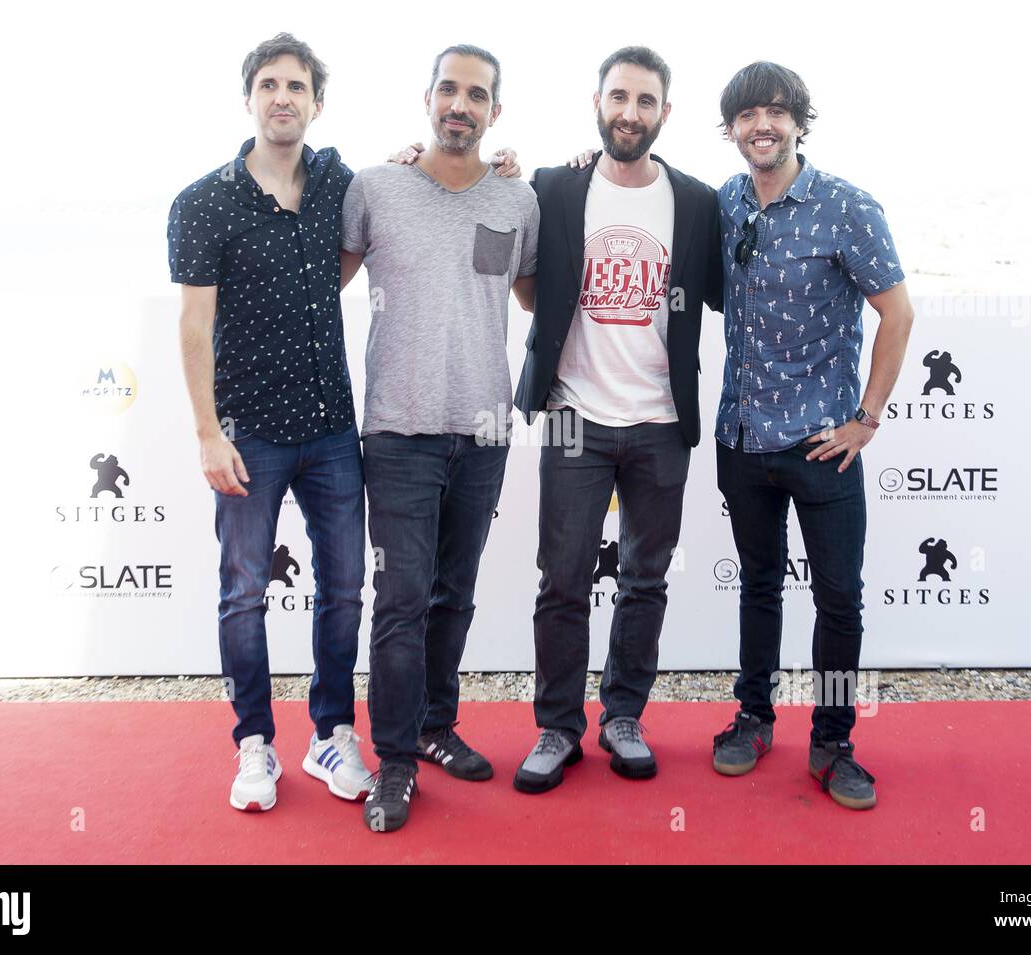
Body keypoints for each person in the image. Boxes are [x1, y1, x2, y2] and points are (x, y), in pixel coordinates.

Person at [509, 47, 722, 793]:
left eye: (646, 100)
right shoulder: (554, 186)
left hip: (662, 419)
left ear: (666, 112)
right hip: (574, 413)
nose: (630, 113)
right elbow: (518, 269)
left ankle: (624, 715)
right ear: (596, 103)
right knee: (562, 580)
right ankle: (557, 726)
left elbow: (731, 289)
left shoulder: (697, 202)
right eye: (619, 97)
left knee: (645, 579)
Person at [168, 34, 371, 811]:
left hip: (332, 427)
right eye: (268, 84)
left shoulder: (338, 184)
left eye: (296, 85)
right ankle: (254, 742)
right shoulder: (204, 202)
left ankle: (331, 734)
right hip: (247, 430)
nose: (282, 96)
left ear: (317, 102)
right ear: (249, 98)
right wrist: (207, 433)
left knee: (344, 587)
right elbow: (194, 326)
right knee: (243, 591)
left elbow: (358, 245)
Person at [339, 44, 538, 832]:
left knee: (454, 594)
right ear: (427, 99)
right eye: (449, 90)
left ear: (495, 111)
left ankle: (434, 725)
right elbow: (327, 279)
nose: (461, 104)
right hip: (398, 431)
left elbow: (531, 295)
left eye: (477, 94)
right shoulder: (375, 187)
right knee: (401, 601)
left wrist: (525, 175)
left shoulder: (518, 200)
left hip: (483, 430)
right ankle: (393, 758)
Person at [709, 62, 914, 810]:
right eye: (746, 114)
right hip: (741, 439)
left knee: (839, 601)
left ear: (799, 122)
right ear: (731, 129)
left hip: (823, 446)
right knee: (759, 587)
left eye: (775, 112)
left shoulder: (847, 207)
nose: (761, 125)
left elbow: (898, 313)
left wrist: (867, 418)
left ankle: (833, 742)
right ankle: (753, 718)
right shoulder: (726, 202)